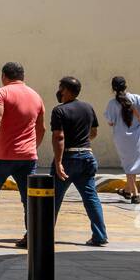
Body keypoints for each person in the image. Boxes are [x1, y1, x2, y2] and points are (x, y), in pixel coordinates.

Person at [0, 61, 45, 248]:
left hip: (2, 156)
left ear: (4, 76)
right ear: (23, 77)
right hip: (28, 157)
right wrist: (32, 147)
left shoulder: (2, 93)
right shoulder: (36, 96)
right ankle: (32, 234)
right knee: (29, 197)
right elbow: (41, 128)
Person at [50, 76, 108, 246]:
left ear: (66, 90)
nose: (59, 92)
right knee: (91, 198)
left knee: (52, 198)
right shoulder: (88, 107)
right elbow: (94, 132)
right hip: (87, 157)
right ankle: (100, 236)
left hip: (68, 158)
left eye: (61, 88)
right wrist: (81, 141)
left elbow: (58, 137)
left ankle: (43, 233)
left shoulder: (59, 110)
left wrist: (58, 162)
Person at [105, 75, 140, 205]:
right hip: (137, 136)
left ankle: (135, 195)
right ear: (126, 86)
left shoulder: (112, 103)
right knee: (132, 165)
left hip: (121, 138)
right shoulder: (136, 98)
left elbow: (110, 122)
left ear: (113, 88)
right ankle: (127, 191)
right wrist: (138, 113)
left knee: (129, 165)